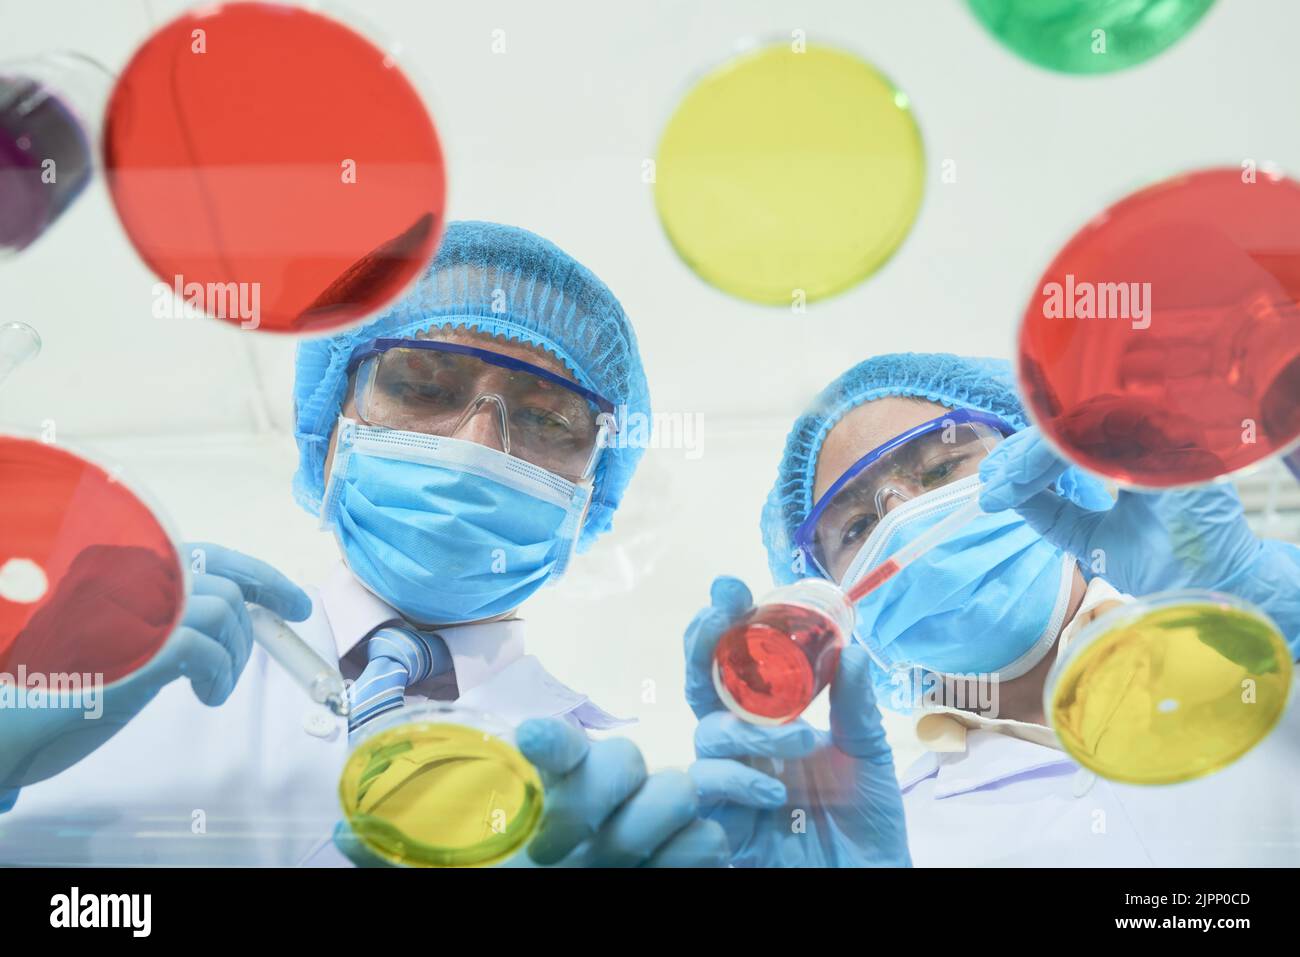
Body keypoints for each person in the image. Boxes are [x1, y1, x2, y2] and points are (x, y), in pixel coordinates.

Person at [0, 222, 726, 868]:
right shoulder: (99, 667)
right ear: (330, 434)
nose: (474, 447)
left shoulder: (601, 815)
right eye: (421, 384)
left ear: (591, 496)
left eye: (545, 421)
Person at [686, 352, 1300, 867]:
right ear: (834, 599)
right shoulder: (889, 837)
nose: (903, 517)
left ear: (1048, 471)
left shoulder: (1261, 654)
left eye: (941, 468)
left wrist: (1258, 596)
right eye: (858, 526)